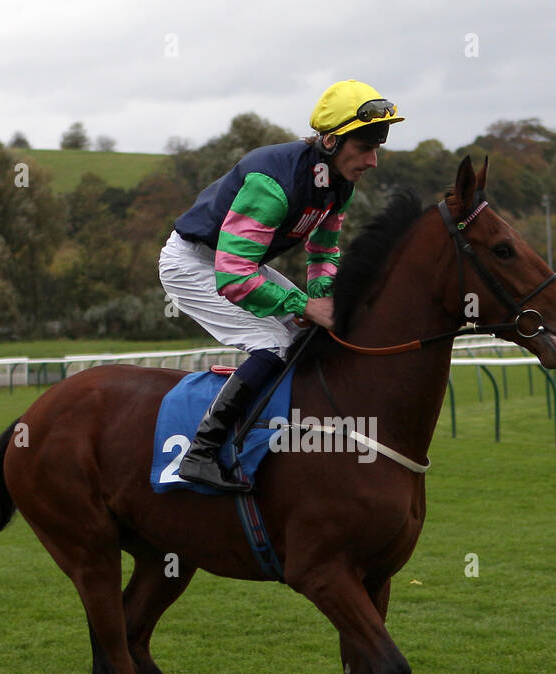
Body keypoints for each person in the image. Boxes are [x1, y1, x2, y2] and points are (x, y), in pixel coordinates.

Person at [159, 79, 404, 491]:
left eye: (377, 147)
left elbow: (324, 253)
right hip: (193, 264)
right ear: (330, 141)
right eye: (364, 147)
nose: (374, 160)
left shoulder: (340, 185)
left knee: (307, 338)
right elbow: (234, 274)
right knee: (274, 344)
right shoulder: (272, 182)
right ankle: (200, 453)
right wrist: (305, 306)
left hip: (236, 262)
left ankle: (298, 434)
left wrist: (320, 302)